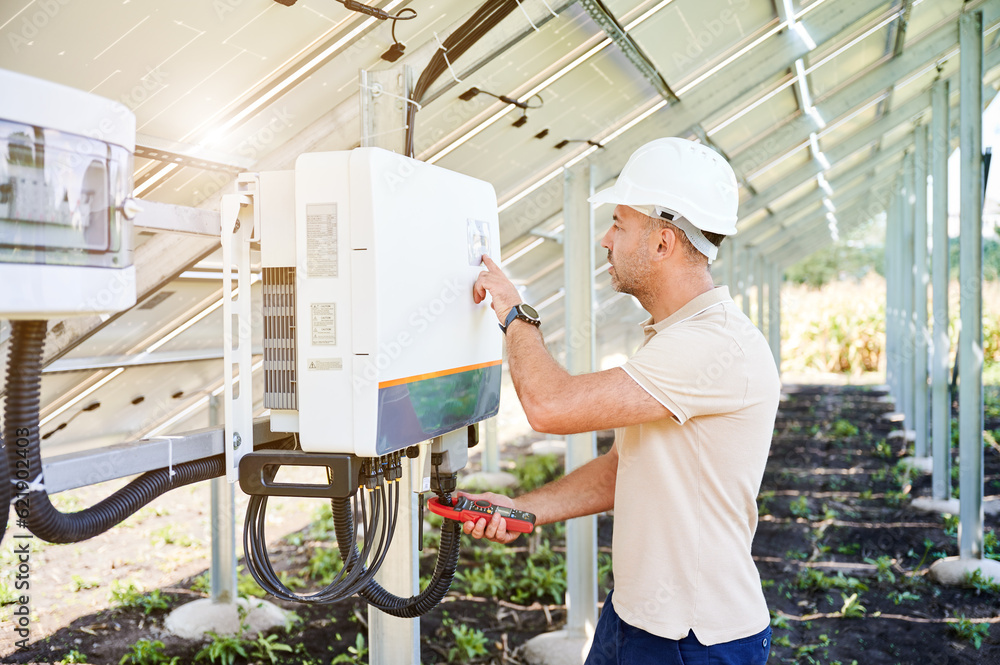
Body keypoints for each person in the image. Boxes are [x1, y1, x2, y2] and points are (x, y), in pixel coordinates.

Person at [468, 137, 780, 665]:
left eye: (619, 223)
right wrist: (524, 509)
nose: (606, 239)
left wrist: (515, 312)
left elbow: (550, 406)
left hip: (690, 641)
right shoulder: (677, 335)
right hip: (635, 619)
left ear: (663, 242)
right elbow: (622, 471)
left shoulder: (714, 345)